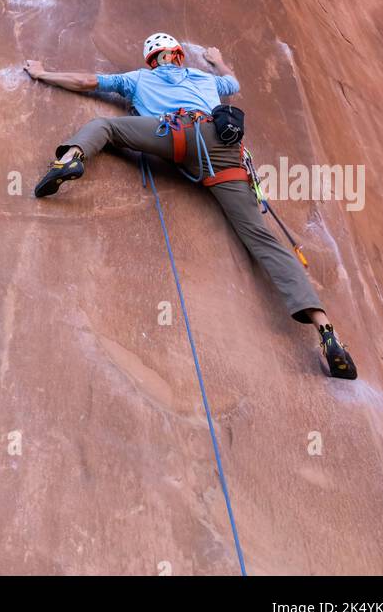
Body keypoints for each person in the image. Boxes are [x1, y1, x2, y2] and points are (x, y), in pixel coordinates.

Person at [24, 32, 357, 379]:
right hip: (226, 151)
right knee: (263, 240)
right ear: (179, 56)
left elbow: (87, 81)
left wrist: (42, 72)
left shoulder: (138, 78)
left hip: (175, 134)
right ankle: (326, 330)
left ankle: (71, 159)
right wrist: (216, 59)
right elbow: (234, 81)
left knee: (104, 125)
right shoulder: (207, 79)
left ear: (152, 60)